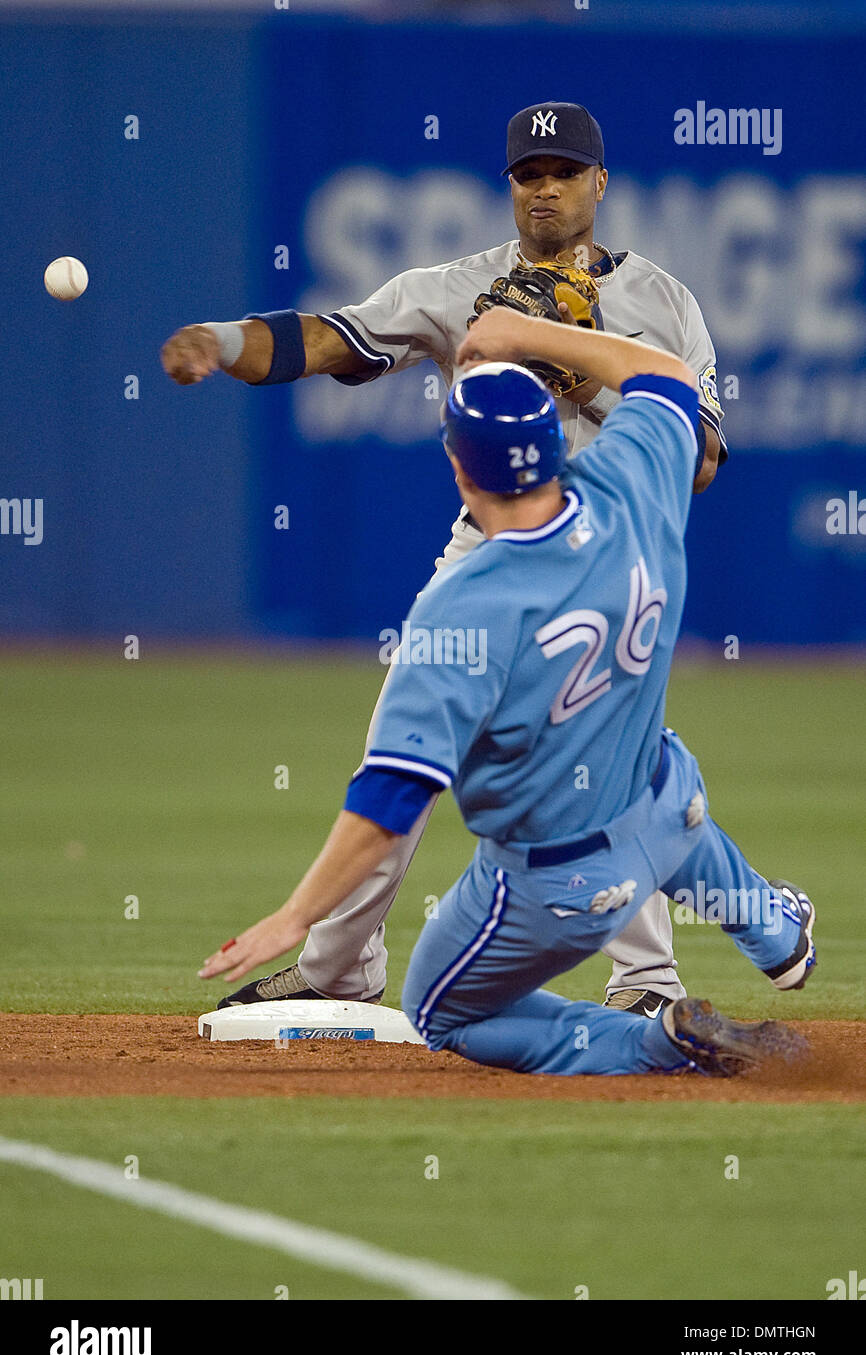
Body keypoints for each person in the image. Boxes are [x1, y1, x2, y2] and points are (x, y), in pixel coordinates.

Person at [167, 101, 728, 1018]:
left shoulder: (663, 305)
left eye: (563, 170)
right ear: (509, 187)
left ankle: (647, 985)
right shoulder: (459, 287)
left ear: (600, 183)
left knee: (609, 763)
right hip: (488, 552)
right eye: (527, 173)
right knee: (402, 742)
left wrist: (577, 369)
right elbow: (332, 337)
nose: (544, 186)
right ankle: (339, 966)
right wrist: (228, 343)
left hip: (607, 553)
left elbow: (699, 463)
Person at [199, 310, 815, 1077]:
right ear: (558, 442)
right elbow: (668, 379)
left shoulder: (462, 608)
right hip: (668, 806)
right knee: (660, 782)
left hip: (565, 881)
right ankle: (775, 931)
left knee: (439, 1008)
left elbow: (391, 799)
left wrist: (294, 916)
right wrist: (530, 334)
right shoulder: (632, 480)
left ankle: (653, 1044)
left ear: (459, 467)